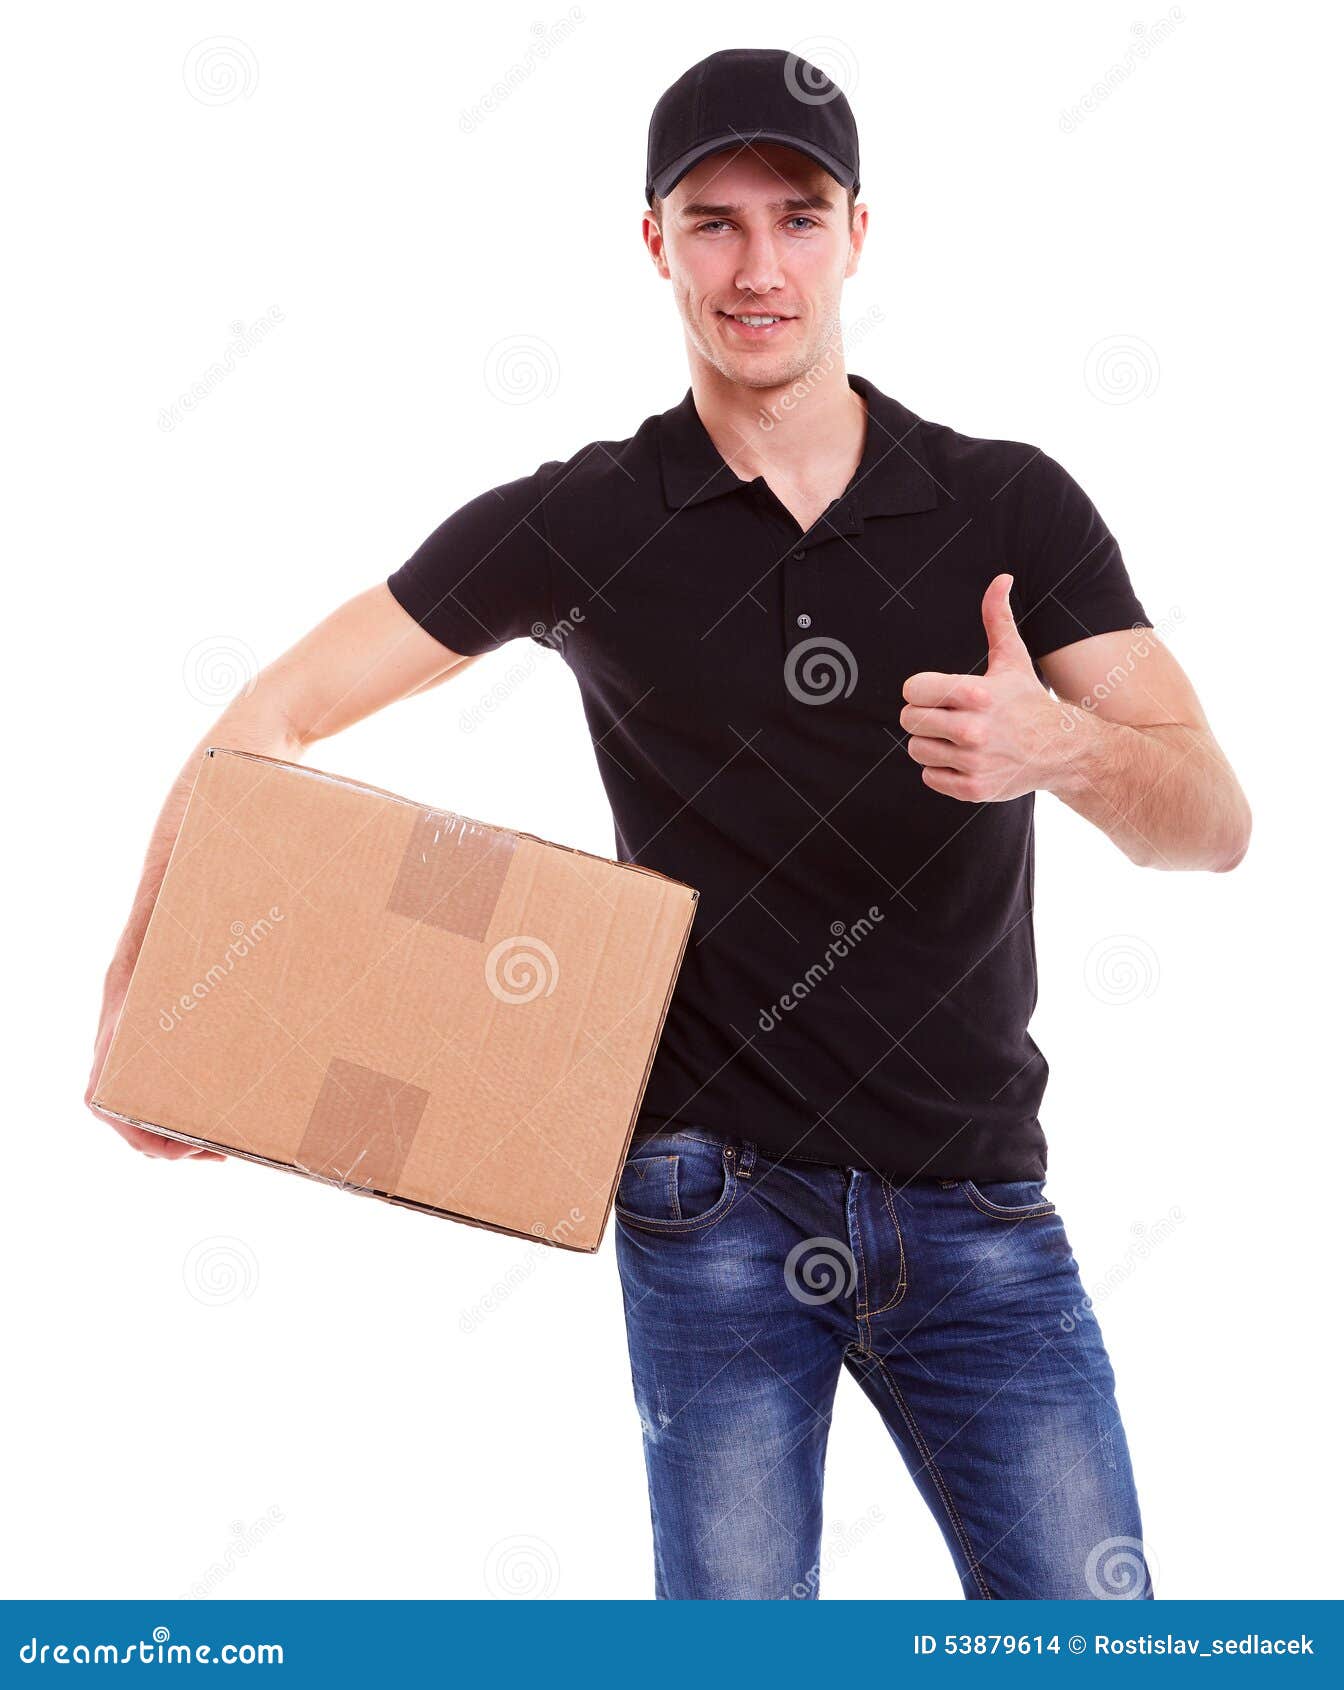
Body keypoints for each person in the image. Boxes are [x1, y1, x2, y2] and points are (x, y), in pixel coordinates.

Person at [87, 48, 1250, 1600]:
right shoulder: (590, 519)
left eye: (798, 217)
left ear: (858, 234)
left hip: (976, 1195)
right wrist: (144, 994)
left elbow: (1211, 821)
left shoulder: (1010, 507)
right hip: (712, 1205)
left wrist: (1062, 746)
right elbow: (270, 713)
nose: (759, 267)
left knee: (1099, 1645)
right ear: (655, 241)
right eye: (715, 222)